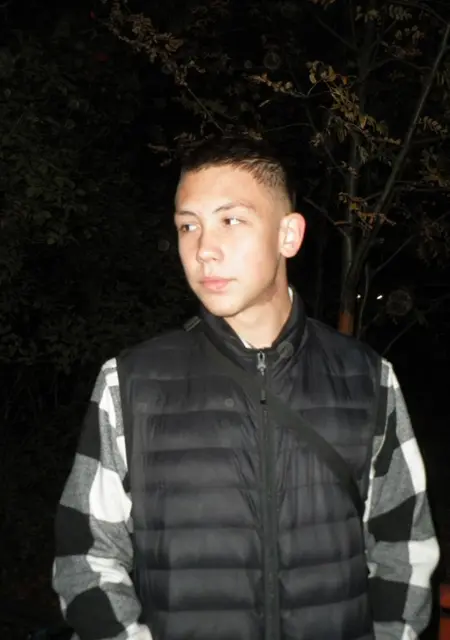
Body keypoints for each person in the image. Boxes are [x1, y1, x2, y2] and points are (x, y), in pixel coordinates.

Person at [53, 136, 439, 640]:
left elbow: (404, 548)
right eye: (188, 226)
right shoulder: (130, 382)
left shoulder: (367, 377)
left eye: (231, 220)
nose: (203, 250)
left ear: (288, 235)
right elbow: (85, 560)